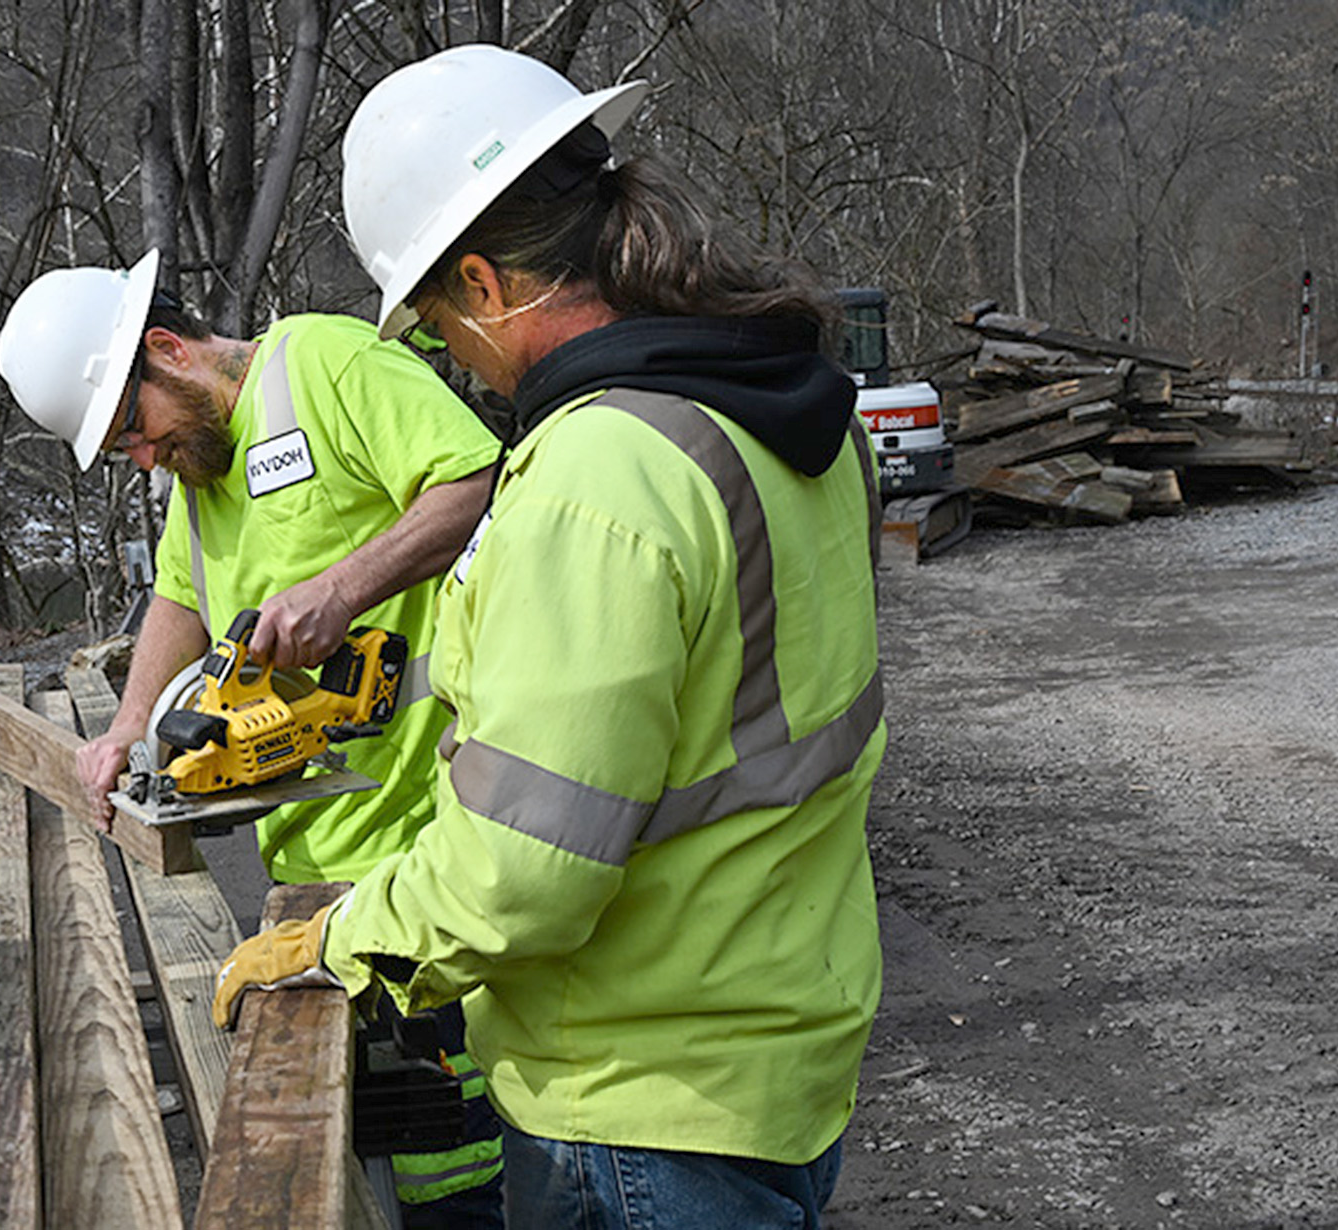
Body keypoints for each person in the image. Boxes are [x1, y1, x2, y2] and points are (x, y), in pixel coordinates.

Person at [212, 44, 886, 1230]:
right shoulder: (785, 414)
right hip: (782, 1047)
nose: (441, 355)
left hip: (633, 1098)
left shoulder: (597, 476)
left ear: (484, 283)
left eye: (431, 322)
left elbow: (524, 868)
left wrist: (345, 942)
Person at [0, 251, 507, 1223]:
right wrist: (127, 731)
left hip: (440, 830)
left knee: (461, 1138)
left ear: (168, 350)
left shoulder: (322, 363)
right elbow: (179, 599)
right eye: (120, 454)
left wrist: (346, 588)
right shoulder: (202, 475)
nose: (140, 458)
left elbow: (477, 477)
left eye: (131, 431)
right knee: (379, 1133)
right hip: (314, 857)